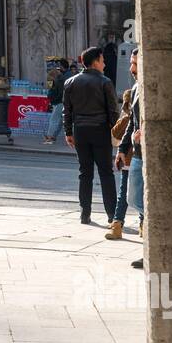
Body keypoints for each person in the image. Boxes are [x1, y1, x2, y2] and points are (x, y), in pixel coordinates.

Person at [63, 44, 119, 224]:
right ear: (95, 62)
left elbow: (67, 111)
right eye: (102, 61)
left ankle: (85, 213)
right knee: (106, 173)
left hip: (80, 131)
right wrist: (115, 132)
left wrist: (68, 132)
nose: (104, 65)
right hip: (100, 130)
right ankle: (112, 214)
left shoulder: (70, 82)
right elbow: (113, 112)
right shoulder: (105, 82)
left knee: (84, 173)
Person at [117, 47, 145, 267]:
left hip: (147, 153)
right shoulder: (136, 88)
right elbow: (131, 124)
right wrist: (121, 149)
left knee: (143, 201)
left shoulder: (150, 86)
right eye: (131, 63)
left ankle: (150, 250)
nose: (131, 68)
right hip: (137, 153)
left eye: (135, 64)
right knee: (133, 198)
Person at [105, 61, 136, 240]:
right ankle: (141, 225)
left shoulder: (126, 119)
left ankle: (117, 224)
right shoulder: (132, 119)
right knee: (136, 193)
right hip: (133, 159)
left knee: (123, 194)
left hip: (127, 162)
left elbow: (115, 136)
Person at [44, 58, 75, 144]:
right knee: (63, 120)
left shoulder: (61, 77)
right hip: (70, 101)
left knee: (54, 119)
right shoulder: (71, 75)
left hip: (61, 101)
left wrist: (53, 99)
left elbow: (55, 90)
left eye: (59, 66)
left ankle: (50, 136)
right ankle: (53, 136)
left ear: (61, 66)